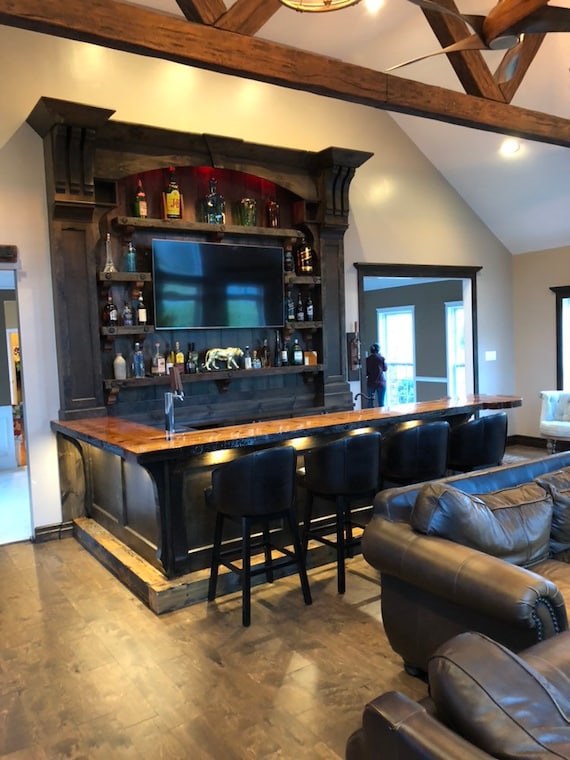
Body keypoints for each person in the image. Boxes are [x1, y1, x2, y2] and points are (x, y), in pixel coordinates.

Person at [366, 343, 387, 408]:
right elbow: (385, 369)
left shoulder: (368, 359)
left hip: (371, 382)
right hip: (381, 382)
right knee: (381, 403)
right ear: (378, 350)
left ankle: (370, 414)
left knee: (370, 402)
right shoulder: (381, 358)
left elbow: (366, 372)